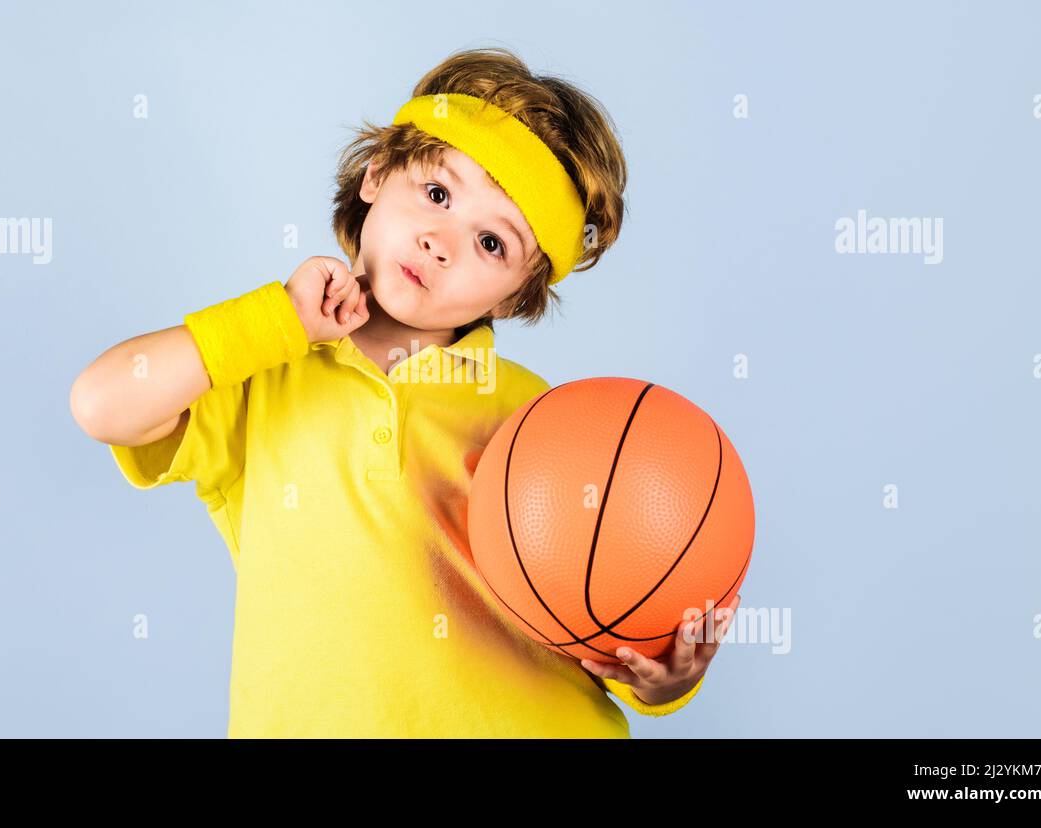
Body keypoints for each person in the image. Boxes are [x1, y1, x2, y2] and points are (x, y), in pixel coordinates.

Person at [70, 47, 736, 737]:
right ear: (376, 175)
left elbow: (610, 603)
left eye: (490, 243)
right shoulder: (259, 372)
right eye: (438, 195)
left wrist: (666, 677)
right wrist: (279, 321)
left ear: (514, 299)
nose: (442, 243)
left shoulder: (543, 421)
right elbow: (101, 402)